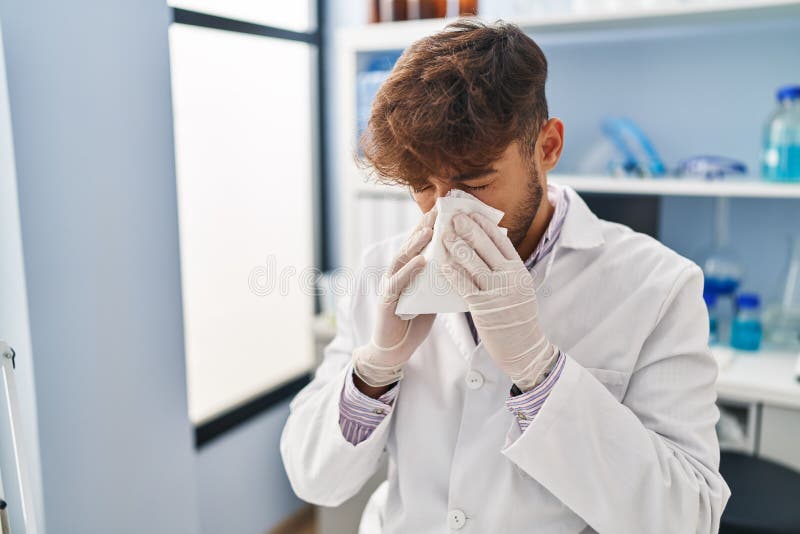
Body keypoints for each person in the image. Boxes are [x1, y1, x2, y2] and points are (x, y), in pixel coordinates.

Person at [280, 19, 730, 533]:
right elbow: (312, 479)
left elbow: (689, 519)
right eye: (423, 186)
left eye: (475, 181)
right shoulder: (384, 271)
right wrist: (374, 371)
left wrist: (540, 374)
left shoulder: (659, 287)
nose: (448, 209)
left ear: (547, 147)